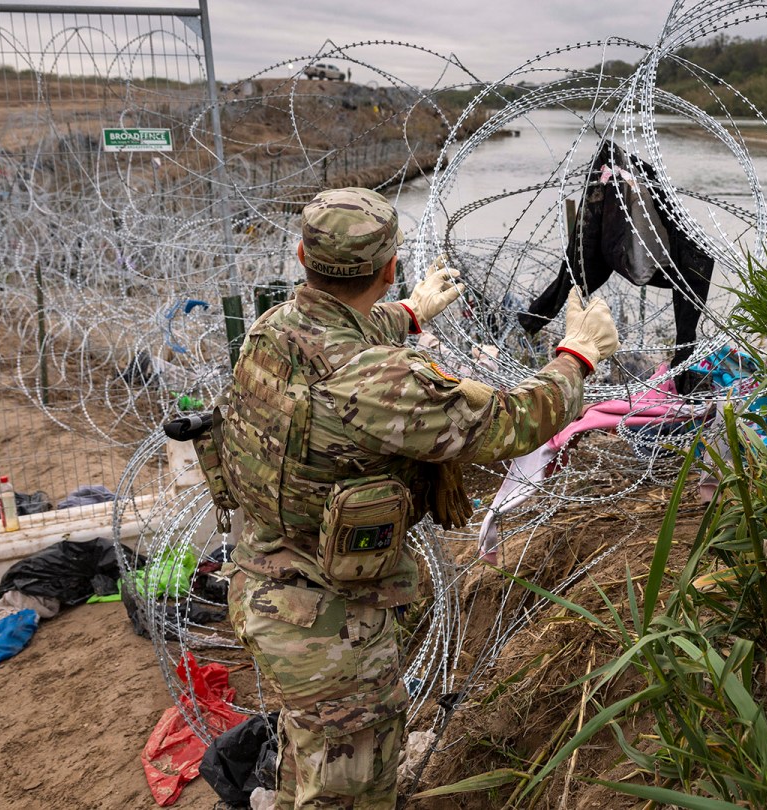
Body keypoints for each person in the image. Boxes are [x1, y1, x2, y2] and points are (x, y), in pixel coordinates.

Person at [217, 186, 618, 809]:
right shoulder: (382, 380)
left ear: (302, 256)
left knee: (309, 759)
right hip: (330, 628)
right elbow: (512, 422)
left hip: (264, 585)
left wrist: (410, 313)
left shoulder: (273, 330)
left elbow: (341, 330)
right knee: (350, 792)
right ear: (388, 268)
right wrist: (578, 356)